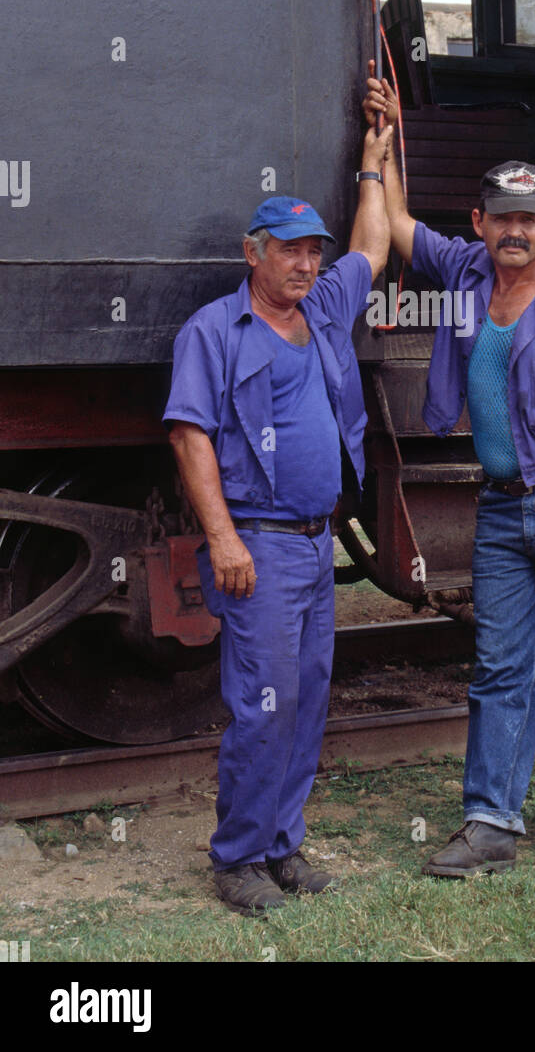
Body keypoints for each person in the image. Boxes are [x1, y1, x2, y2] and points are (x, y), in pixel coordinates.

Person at [363, 73, 535, 874]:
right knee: (500, 667)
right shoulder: (465, 273)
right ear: (478, 223)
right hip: (501, 512)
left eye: (528, 219)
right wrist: (382, 147)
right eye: (500, 219)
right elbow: (401, 225)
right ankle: (490, 823)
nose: (513, 232)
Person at [164, 121, 392, 915]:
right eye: (289, 249)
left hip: (314, 544)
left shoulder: (324, 309)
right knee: (263, 706)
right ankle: (237, 860)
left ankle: (280, 846)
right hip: (255, 549)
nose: (306, 263)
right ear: (251, 251)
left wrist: (373, 161)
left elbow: (376, 247)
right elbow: (189, 435)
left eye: (312, 250)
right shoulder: (213, 332)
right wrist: (223, 537)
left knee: (305, 700)